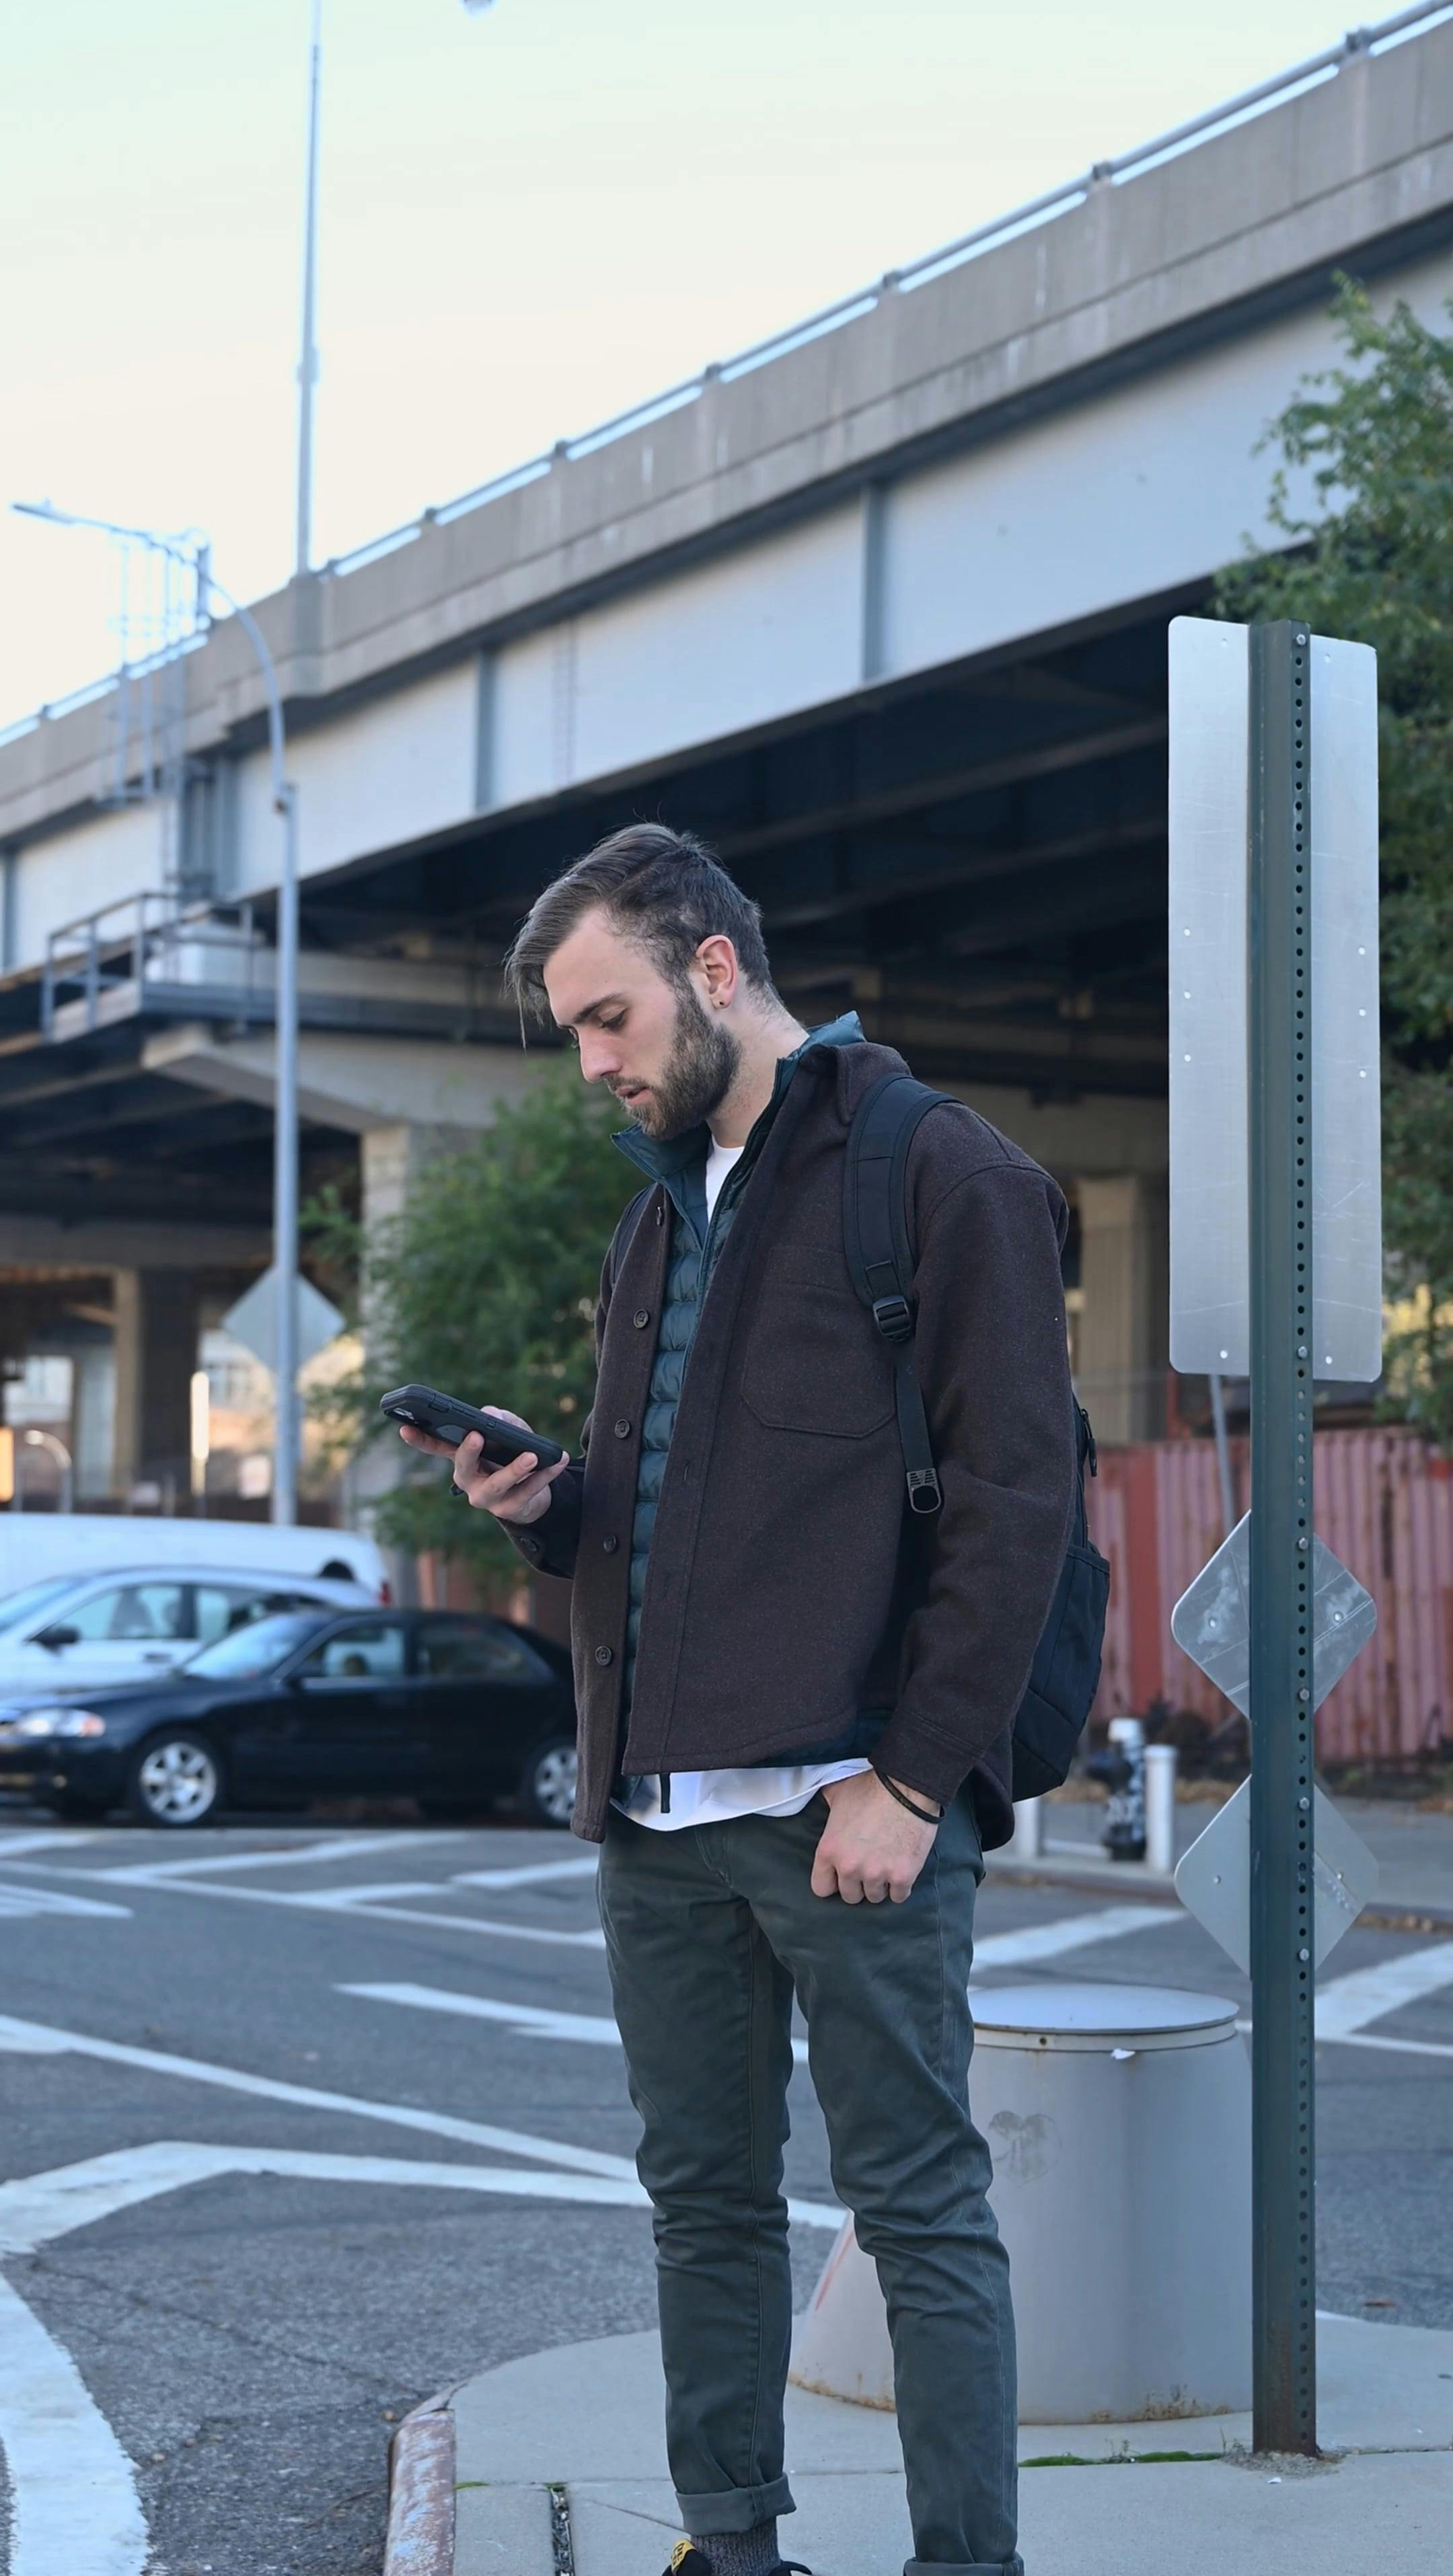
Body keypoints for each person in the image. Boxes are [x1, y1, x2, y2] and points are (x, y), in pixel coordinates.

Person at [398, 824, 1078, 2576]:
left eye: (608, 1020)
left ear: (713, 970)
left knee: (916, 2210)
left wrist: (913, 1785)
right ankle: (733, 2542)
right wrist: (553, 1509)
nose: (595, 1066)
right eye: (574, 1035)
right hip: (661, 1817)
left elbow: (1016, 1509)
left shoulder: (940, 1174)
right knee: (702, 2204)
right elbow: (679, 1513)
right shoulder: (659, 1221)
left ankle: (964, 2561)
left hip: (848, 1810)